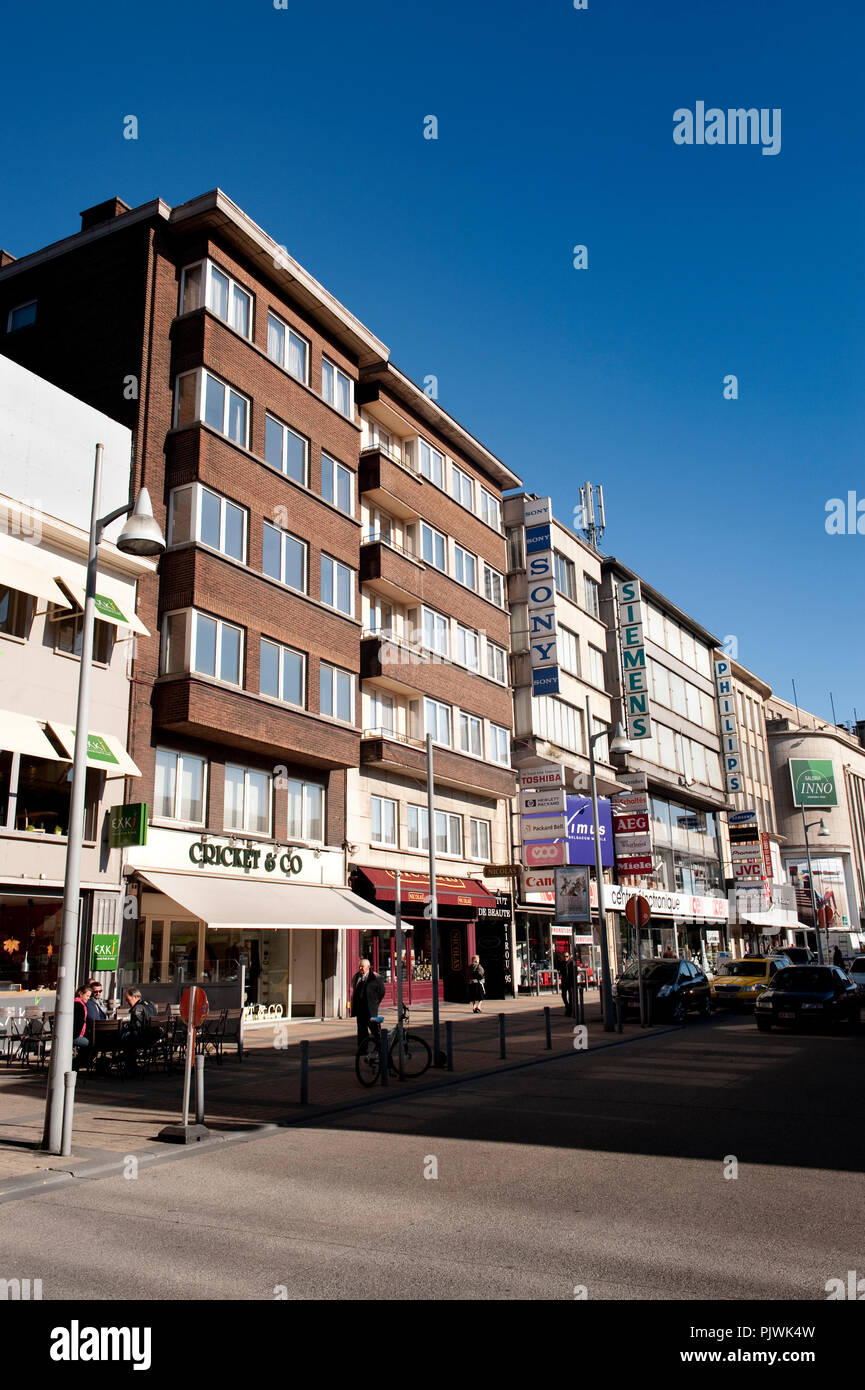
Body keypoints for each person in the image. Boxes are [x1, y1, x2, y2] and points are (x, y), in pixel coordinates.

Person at [120, 987, 158, 1075]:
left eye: (128, 999)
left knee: (125, 1039)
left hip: (143, 1038)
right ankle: (131, 1066)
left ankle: (130, 1067)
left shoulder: (137, 1008)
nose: (127, 1002)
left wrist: (125, 1026)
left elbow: (136, 1027)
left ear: (135, 997)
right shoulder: (150, 1004)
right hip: (153, 1037)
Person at [351, 958, 385, 1053]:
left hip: (371, 1009)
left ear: (368, 967)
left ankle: (380, 1047)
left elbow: (381, 992)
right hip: (360, 1009)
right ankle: (362, 1049)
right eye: (360, 966)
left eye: (363, 966)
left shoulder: (375, 977)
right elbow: (354, 988)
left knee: (375, 1030)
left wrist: (375, 1002)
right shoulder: (356, 976)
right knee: (361, 1031)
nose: (361, 968)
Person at [72, 985, 91, 1071]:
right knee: (90, 1044)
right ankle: (78, 1063)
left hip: (75, 1034)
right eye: (87, 996)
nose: (88, 998)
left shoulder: (77, 1004)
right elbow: (78, 1023)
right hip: (74, 1036)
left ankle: (79, 1063)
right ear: (81, 994)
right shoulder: (79, 1006)